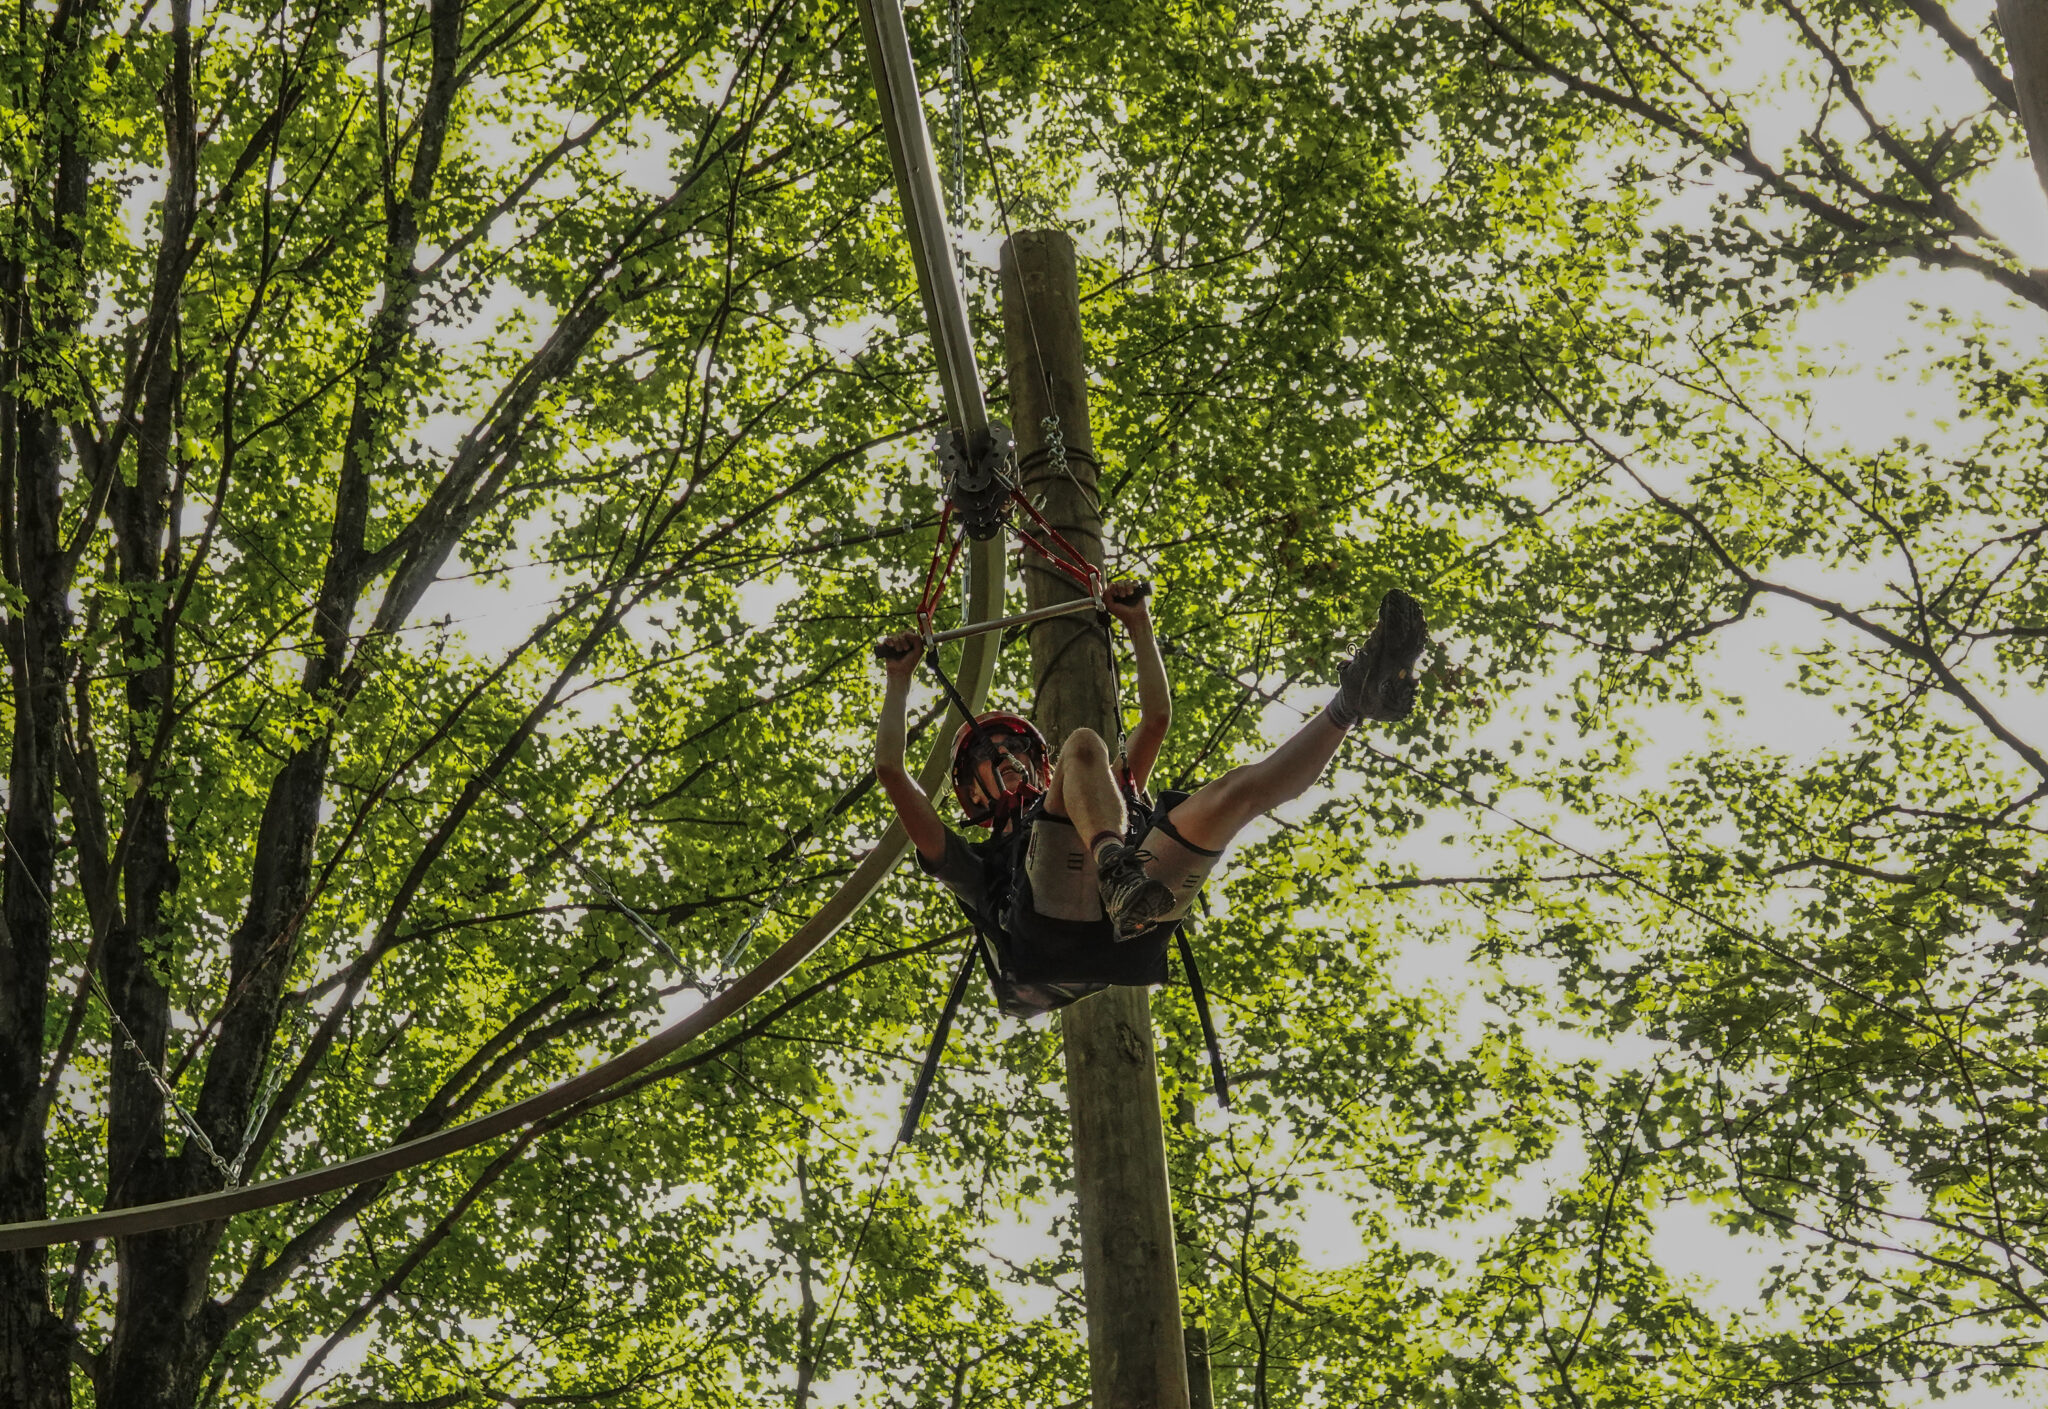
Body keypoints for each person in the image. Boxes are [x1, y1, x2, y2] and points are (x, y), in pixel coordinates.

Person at [874, 582, 1427, 1010]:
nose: (1011, 760)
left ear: (1042, 767)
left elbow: (1157, 720)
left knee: (1234, 792)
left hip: (1133, 931)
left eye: (1017, 751)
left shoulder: (1100, 800)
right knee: (1086, 746)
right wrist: (900, 680)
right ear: (971, 793)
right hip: (1046, 936)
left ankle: (1353, 702)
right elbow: (892, 772)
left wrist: (1139, 623)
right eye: (992, 759)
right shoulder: (974, 862)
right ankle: (1117, 872)